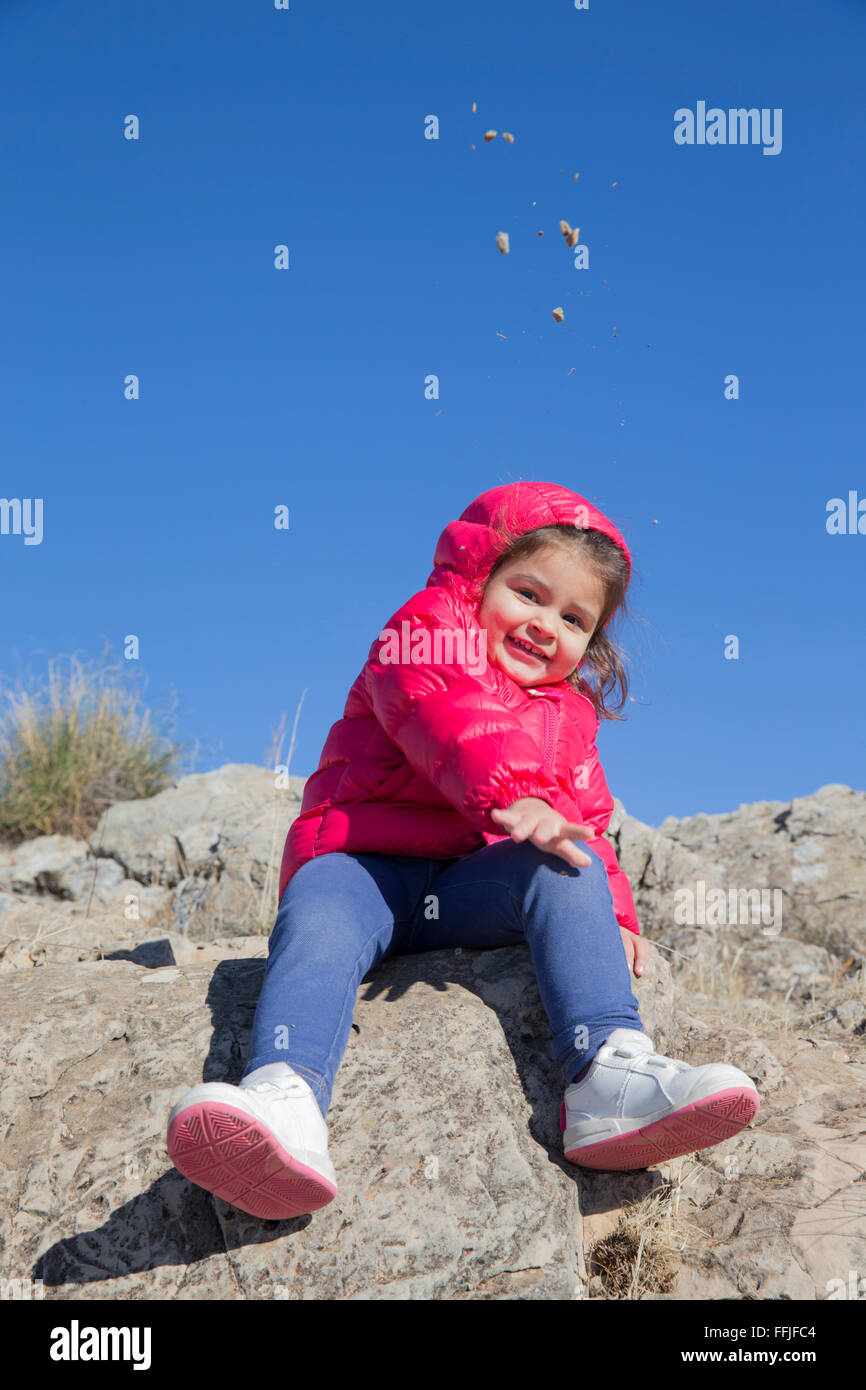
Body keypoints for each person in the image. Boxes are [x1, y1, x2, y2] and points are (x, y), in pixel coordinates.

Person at [166, 480, 759, 1220]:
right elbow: (442, 708)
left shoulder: (569, 714)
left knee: (564, 861)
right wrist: (513, 791)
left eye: (575, 618)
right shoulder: (424, 632)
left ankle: (608, 1074)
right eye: (529, 594)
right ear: (479, 575)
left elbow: (586, 820)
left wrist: (615, 914)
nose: (546, 624)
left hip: (470, 895)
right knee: (319, 909)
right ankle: (284, 1101)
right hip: (365, 863)